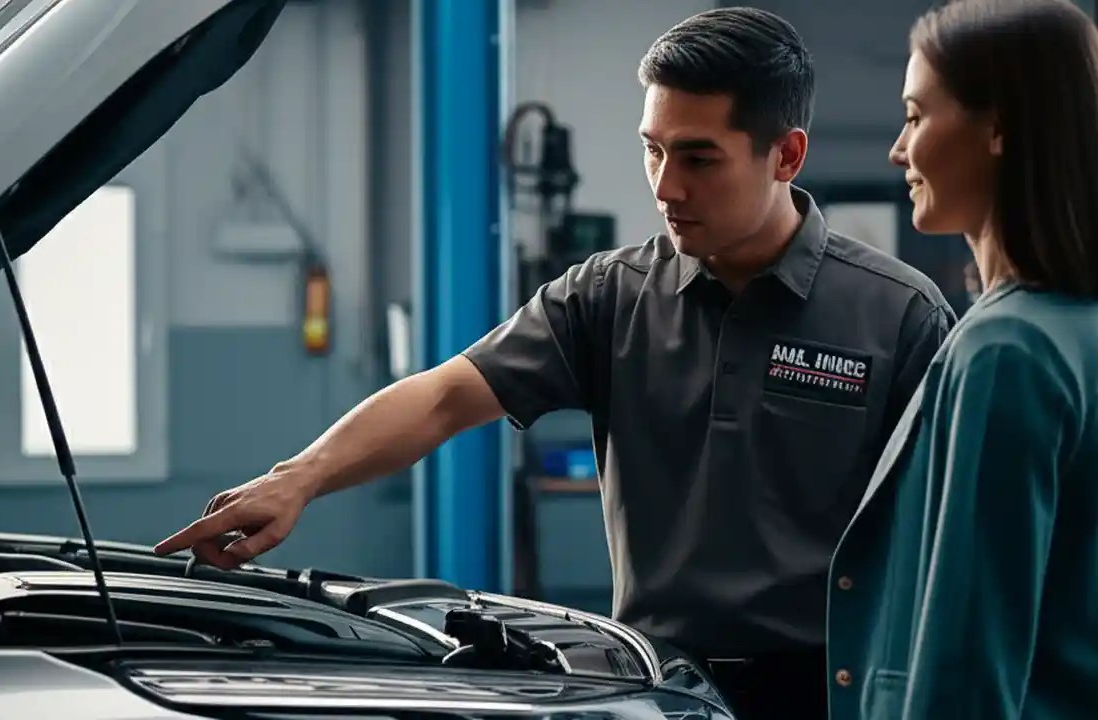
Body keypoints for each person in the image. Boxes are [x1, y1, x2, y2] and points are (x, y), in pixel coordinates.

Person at [155, 8, 954, 719]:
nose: (665, 186)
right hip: (661, 691)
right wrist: (299, 477)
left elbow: (953, 540)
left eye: (699, 159)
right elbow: (443, 397)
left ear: (786, 155)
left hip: (833, 692)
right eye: (652, 151)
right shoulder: (609, 296)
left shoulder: (897, 314)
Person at [825, 1, 1098, 719]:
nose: (898, 149)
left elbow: (966, 669)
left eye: (916, 116)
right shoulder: (1095, 326)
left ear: (998, 127)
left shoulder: (1006, 350)